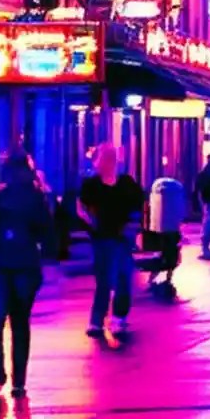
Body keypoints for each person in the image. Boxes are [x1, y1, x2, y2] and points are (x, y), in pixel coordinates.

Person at [0, 151, 54, 399]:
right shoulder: (36, 198)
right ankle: (18, 381)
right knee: (20, 324)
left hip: (0, 264)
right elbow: (46, 231)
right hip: (24, 264)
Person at [78, 143, 145, 336]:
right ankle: (97, 320)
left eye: (111, 158)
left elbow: (138, 205)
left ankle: (118, 318)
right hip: (102, 238)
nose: (107, 162)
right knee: (104, 279)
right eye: (104, 158)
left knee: (123, 277)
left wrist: (133, 226)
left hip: (122, 238)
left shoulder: (126, 183)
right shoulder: (91, 185)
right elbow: (80, 207)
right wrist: (92, 224)